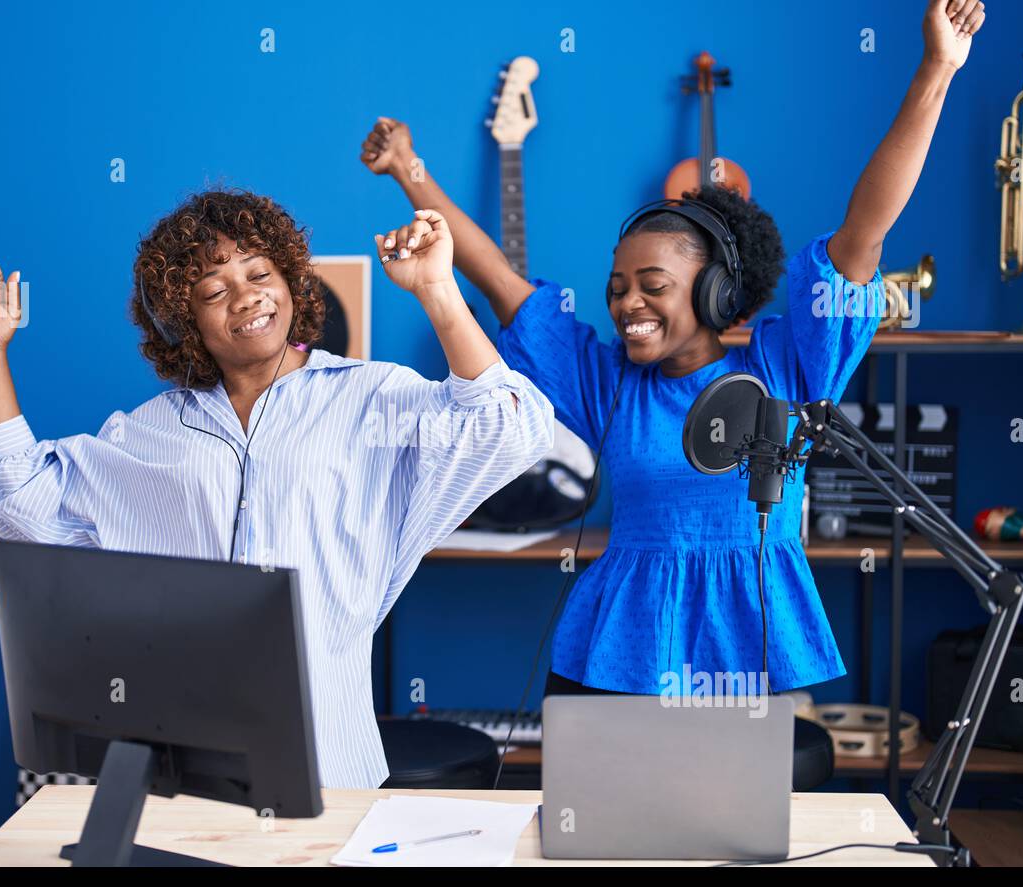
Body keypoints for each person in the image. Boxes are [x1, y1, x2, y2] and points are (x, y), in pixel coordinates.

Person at [360, 0, 984, 696]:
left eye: (652, 285)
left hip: (753, 645)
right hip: (619, 648)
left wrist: (937, 68)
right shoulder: (609, 383)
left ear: (717, 291)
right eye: (618, 287)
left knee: (735, 809)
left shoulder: (786, 368)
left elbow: (864, 233)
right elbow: (498, 280)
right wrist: (407, 169)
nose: (628, 304)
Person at [0, 188, 553, 787]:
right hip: (185, 766)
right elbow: (22, 499)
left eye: (261, 272)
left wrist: (437, 291)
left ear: (290, 279)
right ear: (183, 321)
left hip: (332, 765)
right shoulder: (149, 434)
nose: (248, 296)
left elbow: (511, 426)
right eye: (215, 290)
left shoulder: (368, 397)